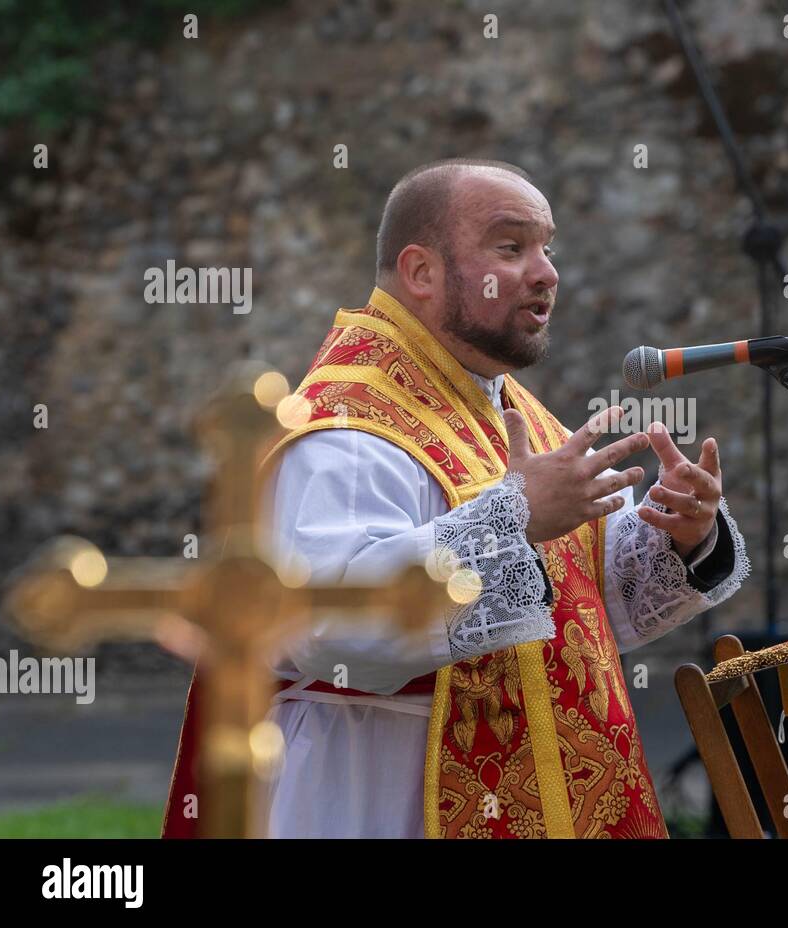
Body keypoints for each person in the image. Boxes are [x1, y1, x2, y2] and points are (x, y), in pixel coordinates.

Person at [162, 158, 750, 838]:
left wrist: (678, 534)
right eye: (511, 246)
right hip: (381, 786)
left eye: (546, 247)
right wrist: (515, 517)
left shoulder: (504, 408)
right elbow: (329, 627)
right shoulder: (347, 427)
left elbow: (584, 610)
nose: (546, 272)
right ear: (421, 272)